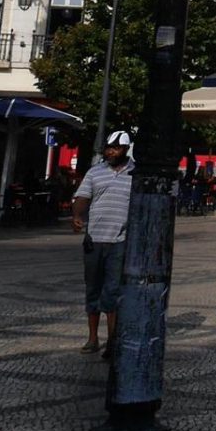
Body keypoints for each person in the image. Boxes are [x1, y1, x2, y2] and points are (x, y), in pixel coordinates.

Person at [71, 131, 132, 358]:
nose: (110, 152)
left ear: (125, 150)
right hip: (94, 240)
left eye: (115, 148)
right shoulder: (95, 172)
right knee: (93, 288)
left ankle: (113, 340)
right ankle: (93, 338)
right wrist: (77, 215)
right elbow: (82, 197)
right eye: (108, 147)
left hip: (119, 241)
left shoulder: (135, 174)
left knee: (113, 292)